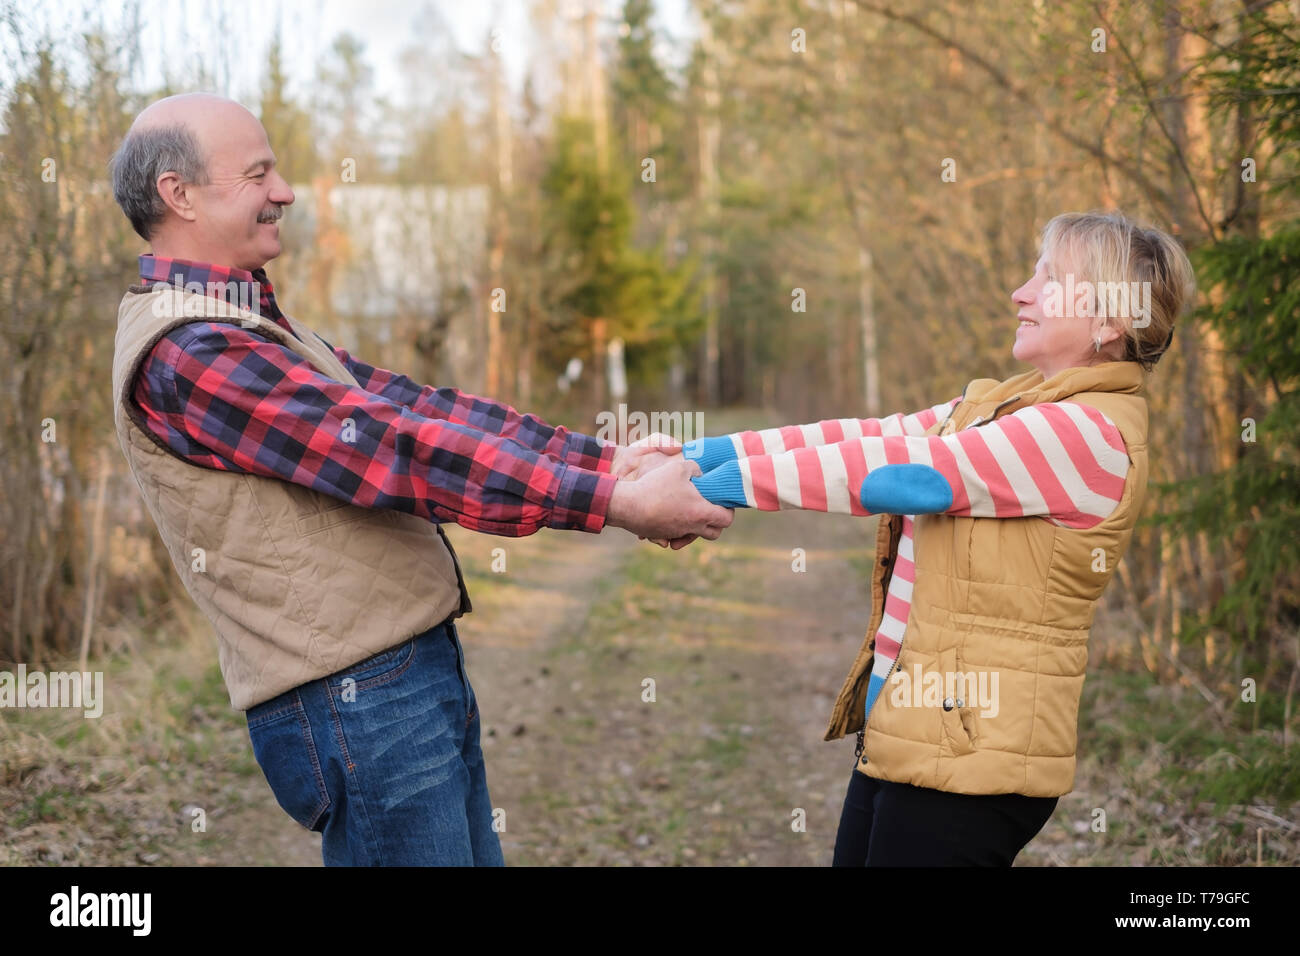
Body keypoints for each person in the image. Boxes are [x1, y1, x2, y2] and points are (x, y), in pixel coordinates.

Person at [107, 92, 732, 866]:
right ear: (180, 194)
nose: (286, 191)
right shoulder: (193, 350)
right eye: (258, 173)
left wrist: (605, 462)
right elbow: (391, 449)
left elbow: (419, 408)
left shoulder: (247, 322)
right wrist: (612, 501)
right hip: (357, 700)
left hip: (393, 677)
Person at [681, 210, 1195, 865]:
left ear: (1108, 322)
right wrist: (699, 454)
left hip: (971, 762)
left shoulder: (1086, 434)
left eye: (1050, 277)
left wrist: (715, 489)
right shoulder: (1009, 404)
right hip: (916, 734)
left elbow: (910, 477)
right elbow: (867, 437)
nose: (1021, 292)